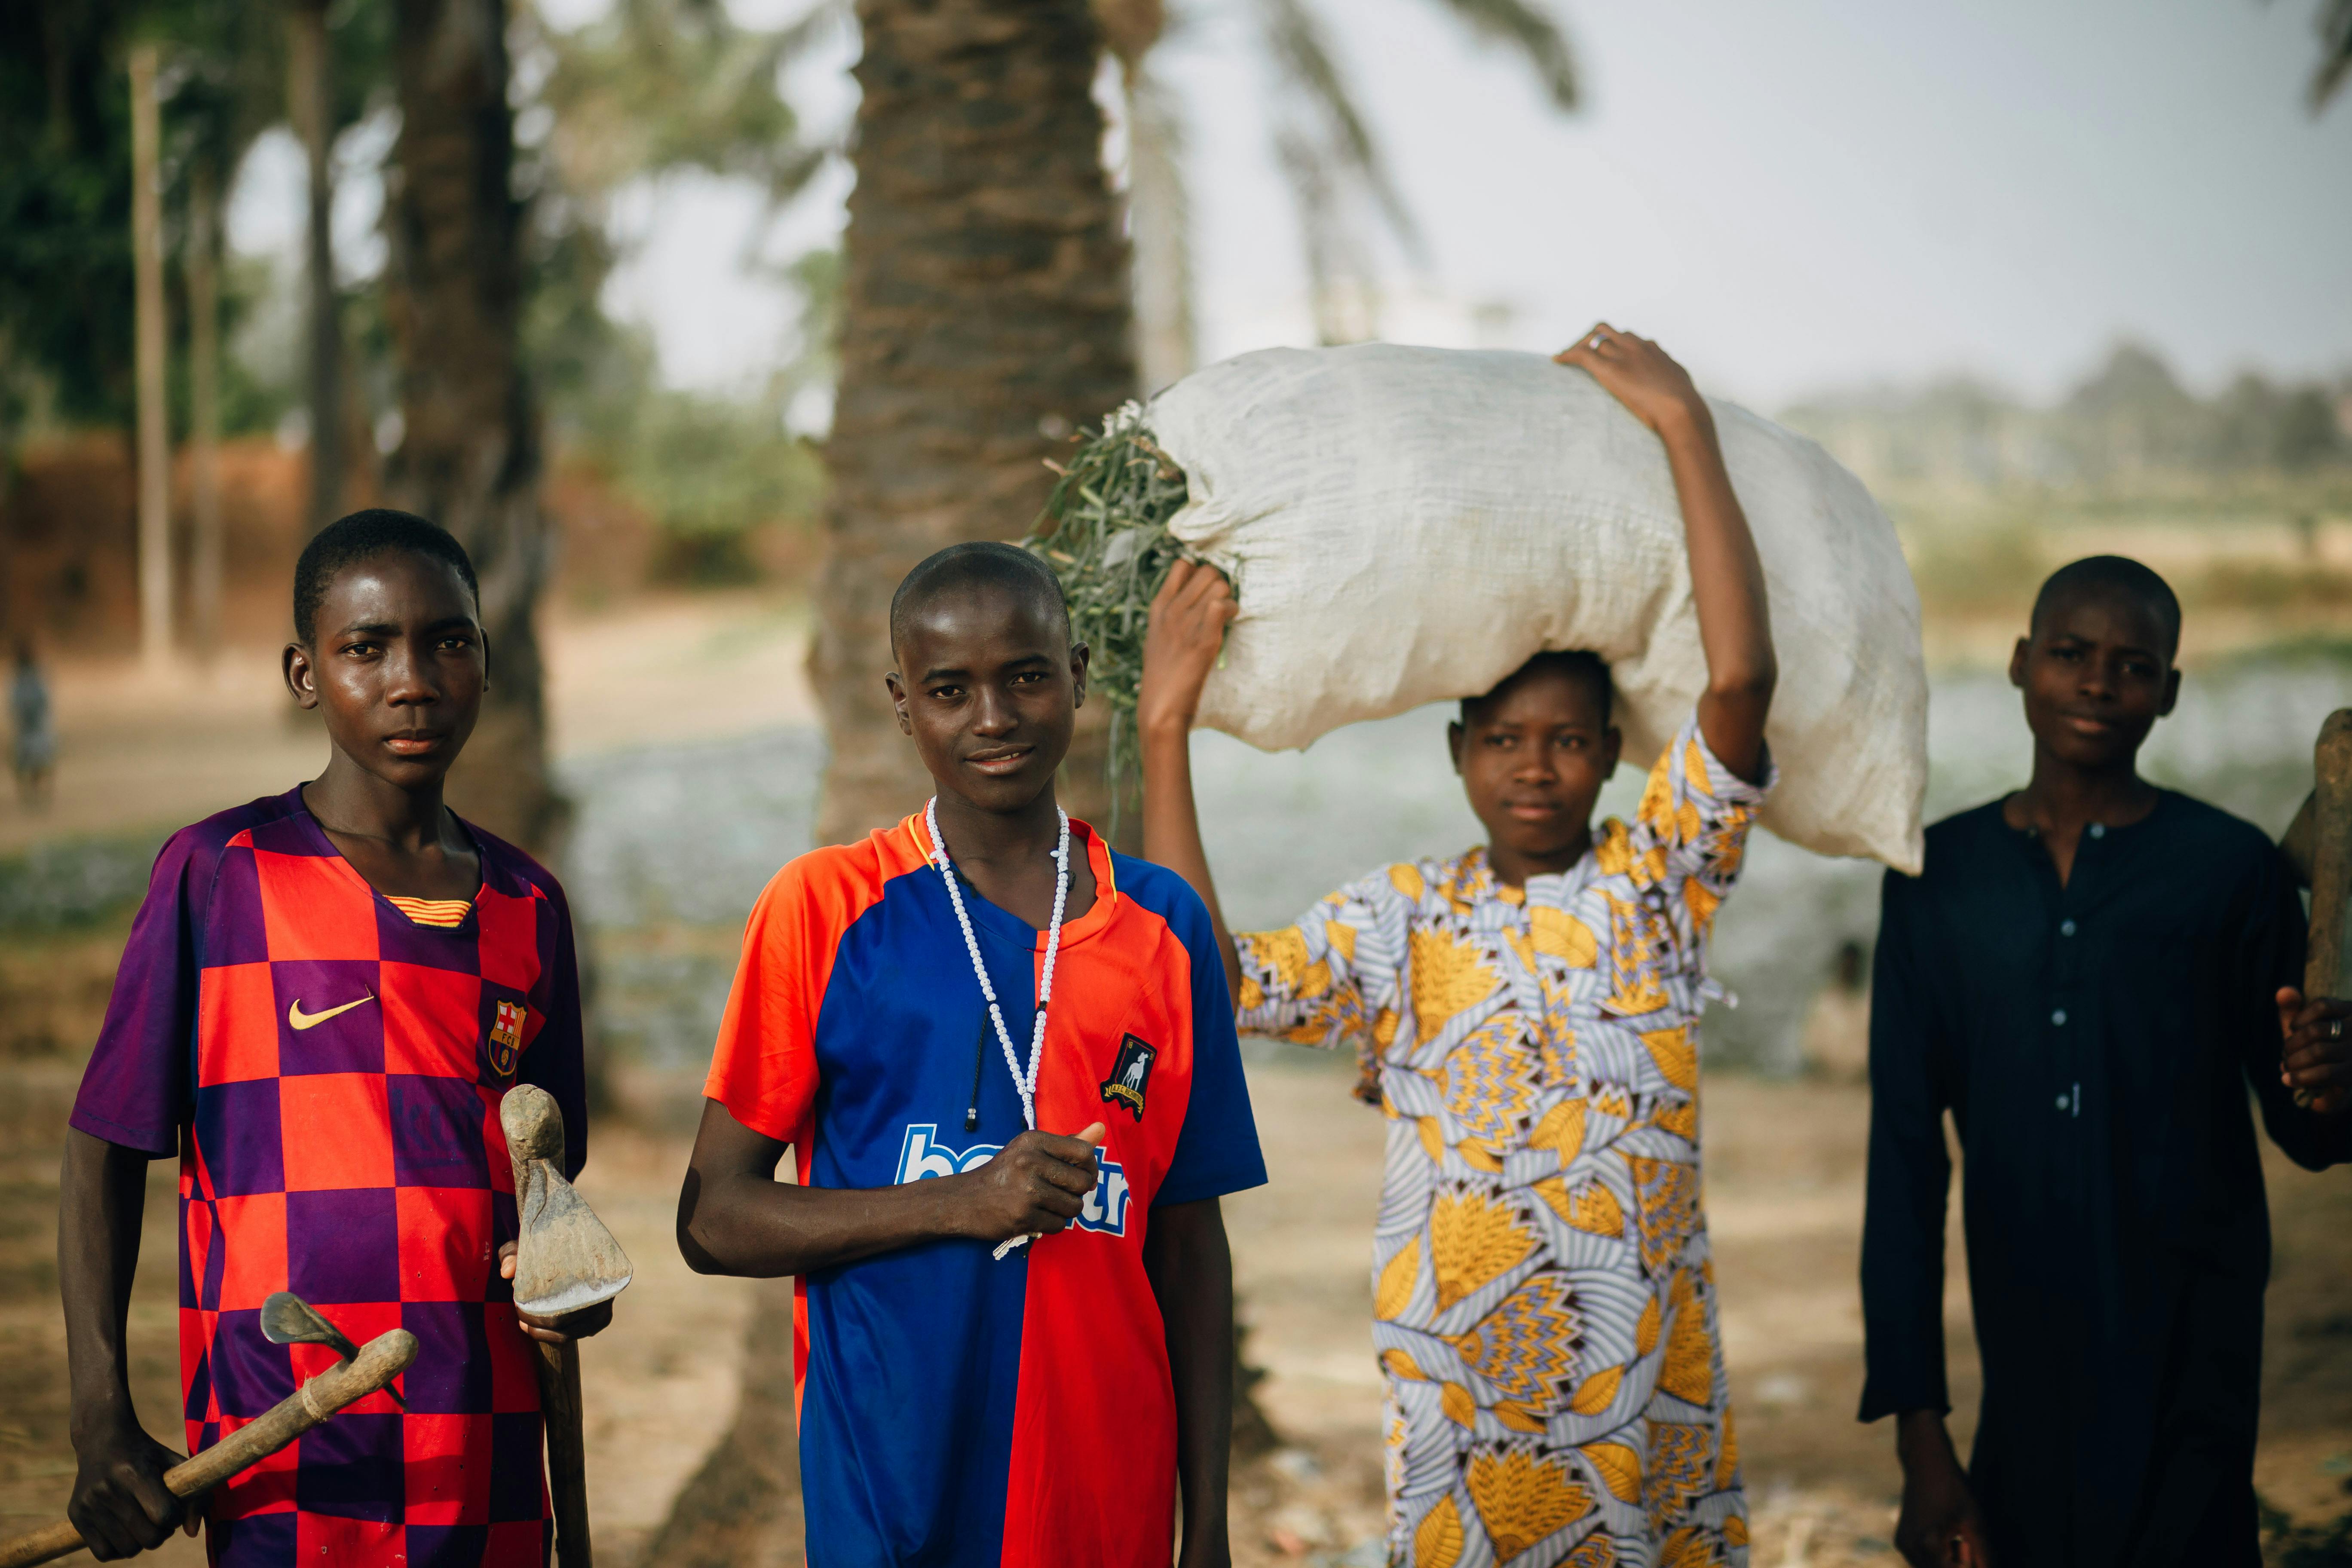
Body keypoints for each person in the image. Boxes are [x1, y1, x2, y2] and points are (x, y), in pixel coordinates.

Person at [1141, 325, 1779, 1568]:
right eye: (1502, 740)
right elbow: (1214, 983)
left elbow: (1742, 680)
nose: (1536, 767)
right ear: (1458, 754)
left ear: (1611, 755)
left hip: (1639, 1403)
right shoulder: (1401, 918)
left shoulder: (1658, 886)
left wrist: (1684, 426)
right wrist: (1166, 728)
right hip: (1461, 1412)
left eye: (1569, 740)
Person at [677, 541, 1267, 1568]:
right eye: (950, 690)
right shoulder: (823, 909)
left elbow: (1188, 1241)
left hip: (1101, 1494)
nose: (992, 718)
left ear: (1077, 677)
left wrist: (1206, 1526)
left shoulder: (1161, 930)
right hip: (890, 1490)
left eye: (1025, 677)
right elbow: (711, 1218)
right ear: (903, 704)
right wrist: (959, 1203)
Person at [61, 509, 604, 1566]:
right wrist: (98, 1416)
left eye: (449, 641)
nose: (413, 680)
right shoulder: (223, 873)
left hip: (482, 1430)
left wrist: (568, 1288)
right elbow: (105, 1144)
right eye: (368, 647)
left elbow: (551, 1175)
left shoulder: (528, 904)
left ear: (486, 664)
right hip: (287, 1426)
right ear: (305, 675)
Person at [1860, 555, 2352, 1568]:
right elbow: (1904, 1164)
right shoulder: (1933, 880)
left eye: (2131, 665)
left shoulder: (2227, 871)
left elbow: (2307, 1135)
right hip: (2022, 1352)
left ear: (2167, 692)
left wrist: (2335, 1074)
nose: (2094, 682)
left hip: (2194, 1351)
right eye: (2069, 654)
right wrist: (1920, 1440)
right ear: (2016, 663)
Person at [12, 638, 56, 805]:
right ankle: (36, 792)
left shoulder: (22, 681)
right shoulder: (33, 679)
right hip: (34, 729)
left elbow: (16, 705)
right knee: (36, 760)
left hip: (31, 729)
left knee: (29, 761)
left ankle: (32, 793)